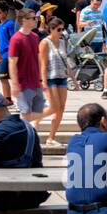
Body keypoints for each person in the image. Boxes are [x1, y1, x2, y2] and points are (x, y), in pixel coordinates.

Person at [8, 6, 47, 127]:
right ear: (24, 20)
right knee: (26, 113)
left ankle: (30, 134)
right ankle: (26, 136)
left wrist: (41, 79)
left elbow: (38, 59)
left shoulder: (35, 37)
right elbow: (12, 63)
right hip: (23, 83)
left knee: (38, 111)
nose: (36, 20)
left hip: (35, 82)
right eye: (33, 18)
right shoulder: (16, 39)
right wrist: (14, 84)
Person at [38, 16, 70, 146]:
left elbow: (66, 62)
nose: (61, 32)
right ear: (51, 29)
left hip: (62, 77)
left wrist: (74, 78)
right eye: (58, 29)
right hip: (50, 78)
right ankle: (35, 120)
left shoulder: (62, 42)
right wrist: (43, 81)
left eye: (62, 29)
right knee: (54, 107)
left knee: (61, 108)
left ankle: (51, 137)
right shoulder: (45, 42)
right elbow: (43, 64)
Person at [0, 3, 16, 105]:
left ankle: (8, 98)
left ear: (6, 13)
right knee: (4, 78)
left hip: (8, 55)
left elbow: (13, 39)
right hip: (2, 54)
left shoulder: (10, 24)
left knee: (3, 77)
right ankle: (7, 98)